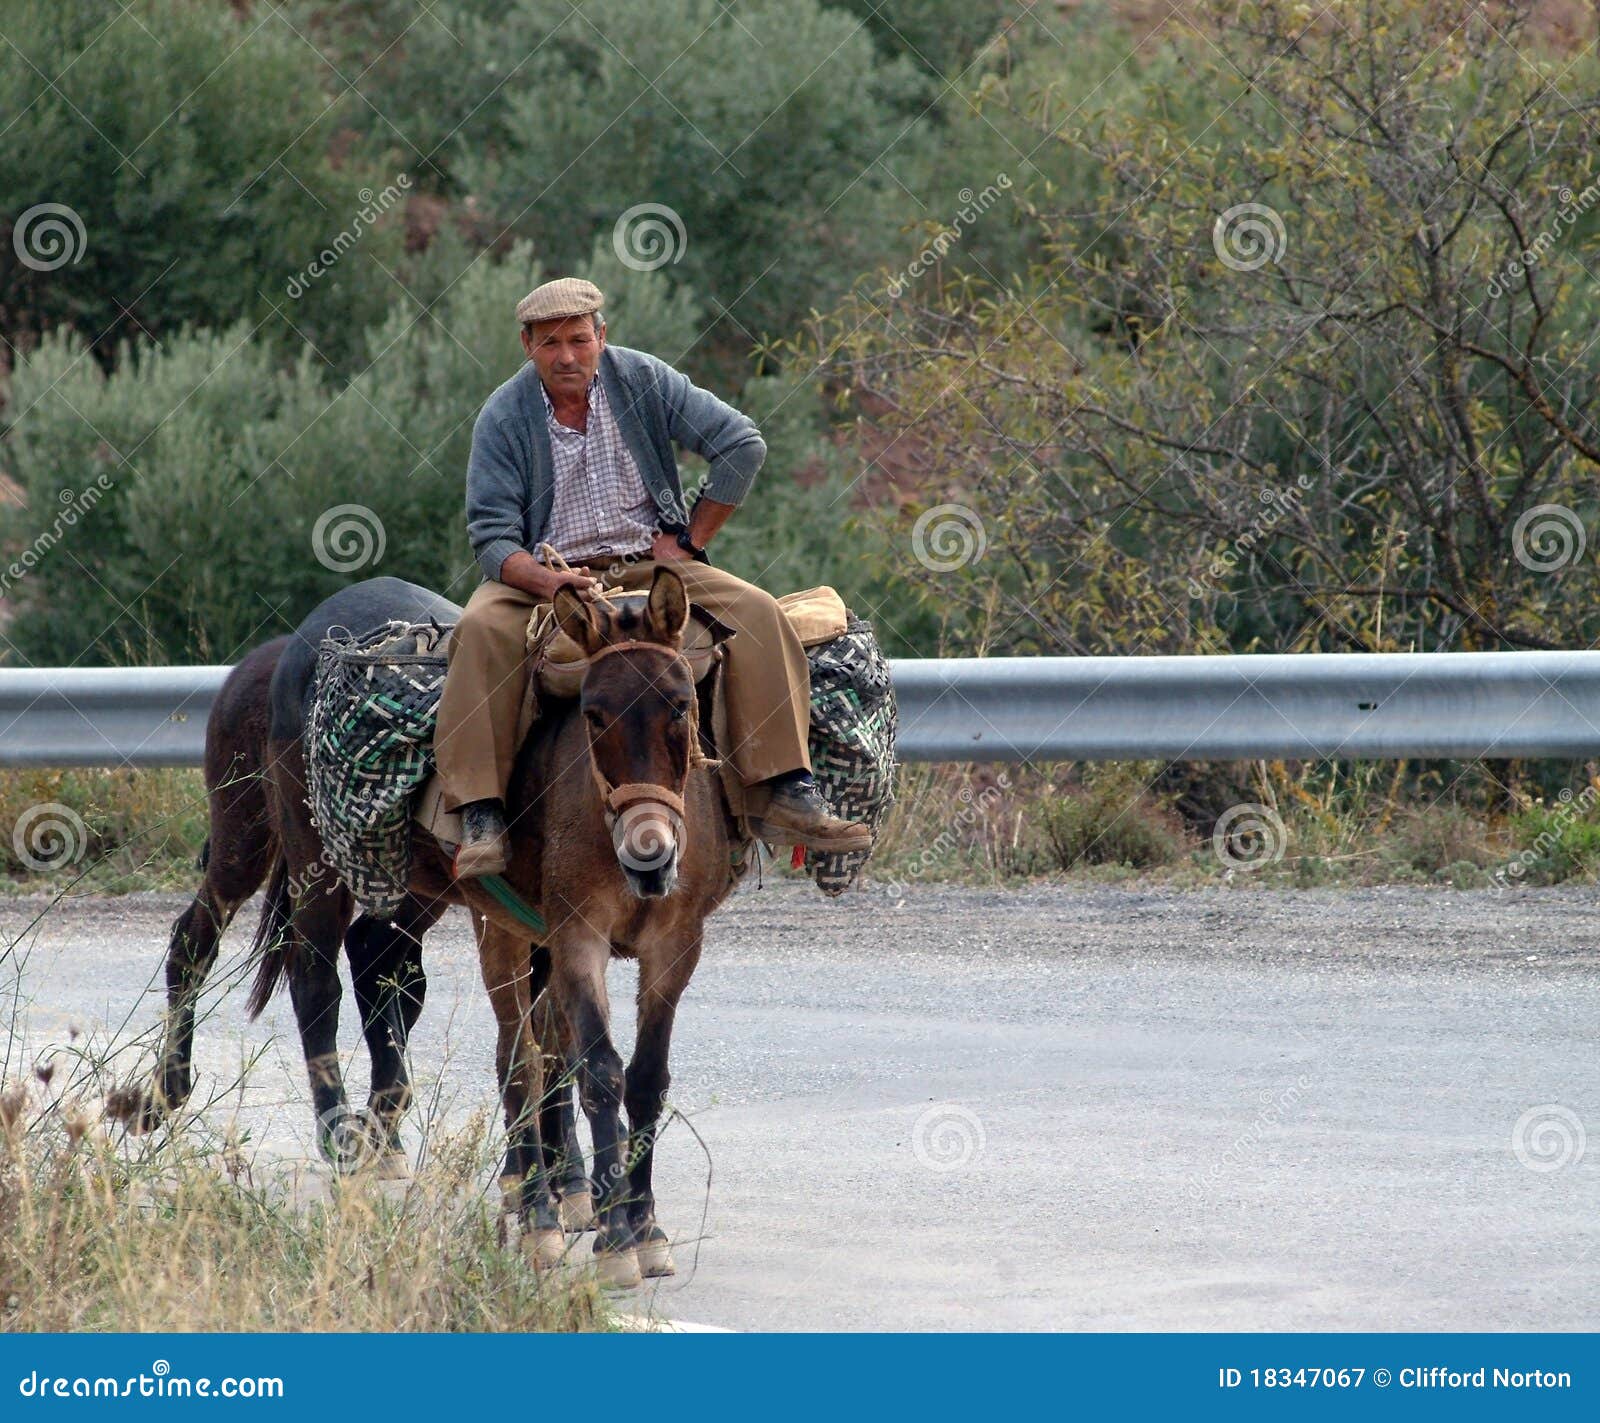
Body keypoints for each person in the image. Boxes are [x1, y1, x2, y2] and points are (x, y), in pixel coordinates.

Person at [433, 276, 871, 876]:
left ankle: (785, 790)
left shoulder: (642, 380)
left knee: (761, 614)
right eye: (550, 343)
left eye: (579, 340)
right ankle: (480, 813)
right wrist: (547, 582)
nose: (566, 356)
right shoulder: (504, 416)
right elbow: (492, 539)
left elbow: (741, 443)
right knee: (479, 629)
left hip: (649, 561)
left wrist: (689, 540)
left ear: (602, 336)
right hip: (549, 573)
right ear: (526, 346)